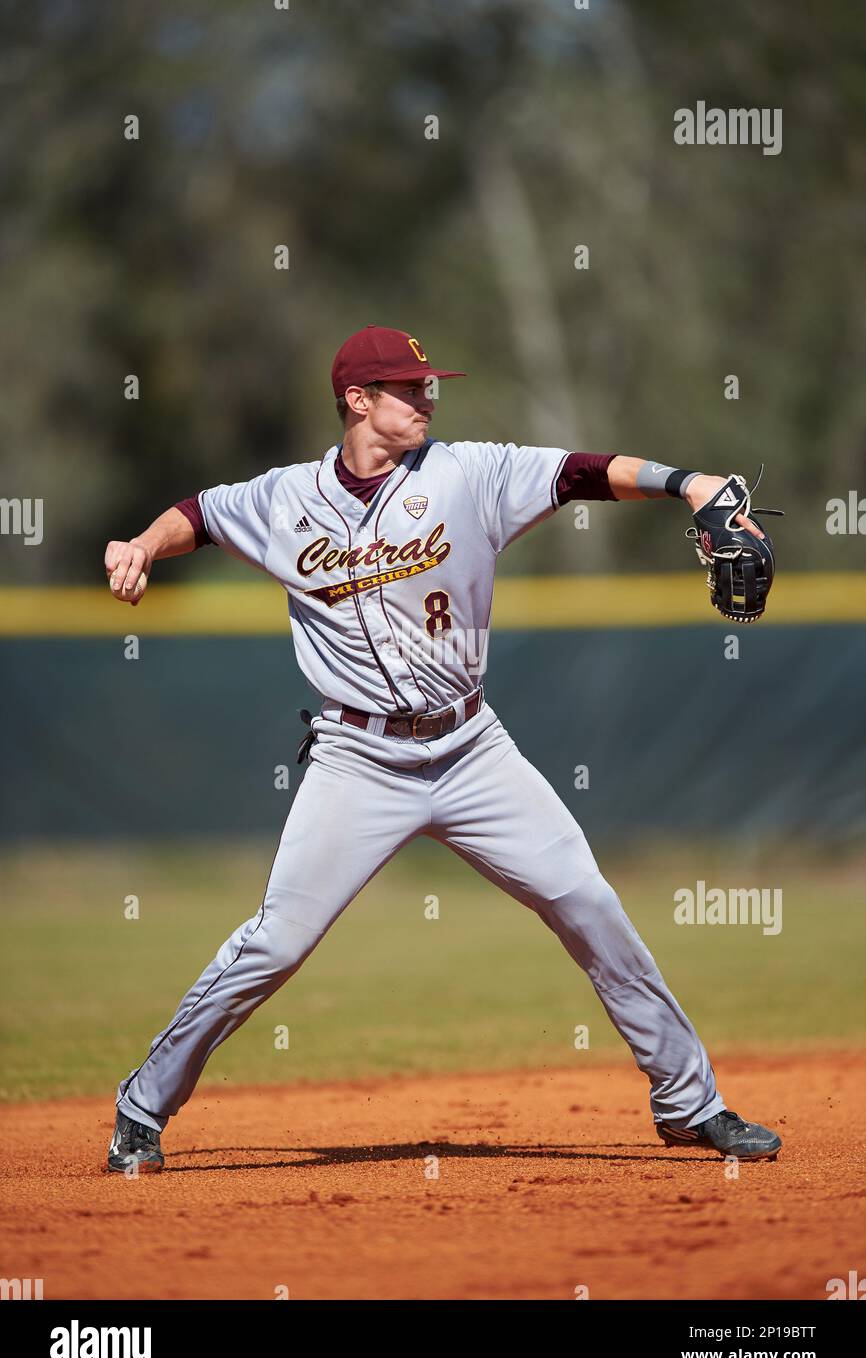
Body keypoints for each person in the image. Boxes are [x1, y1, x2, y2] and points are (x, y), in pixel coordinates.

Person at [103, 324, 781, 1175]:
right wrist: (139, 546)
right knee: (276, 942)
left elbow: (581, 473)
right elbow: (199, 514)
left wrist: (689, 483)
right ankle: (141, 1108)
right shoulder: (284, 498)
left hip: (471, 749)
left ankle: (691, 1104)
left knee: (589, 904)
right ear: (358, 400)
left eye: (430, 385)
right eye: (409, 387)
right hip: (357, 759)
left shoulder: (469, 474)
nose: (430, 397)